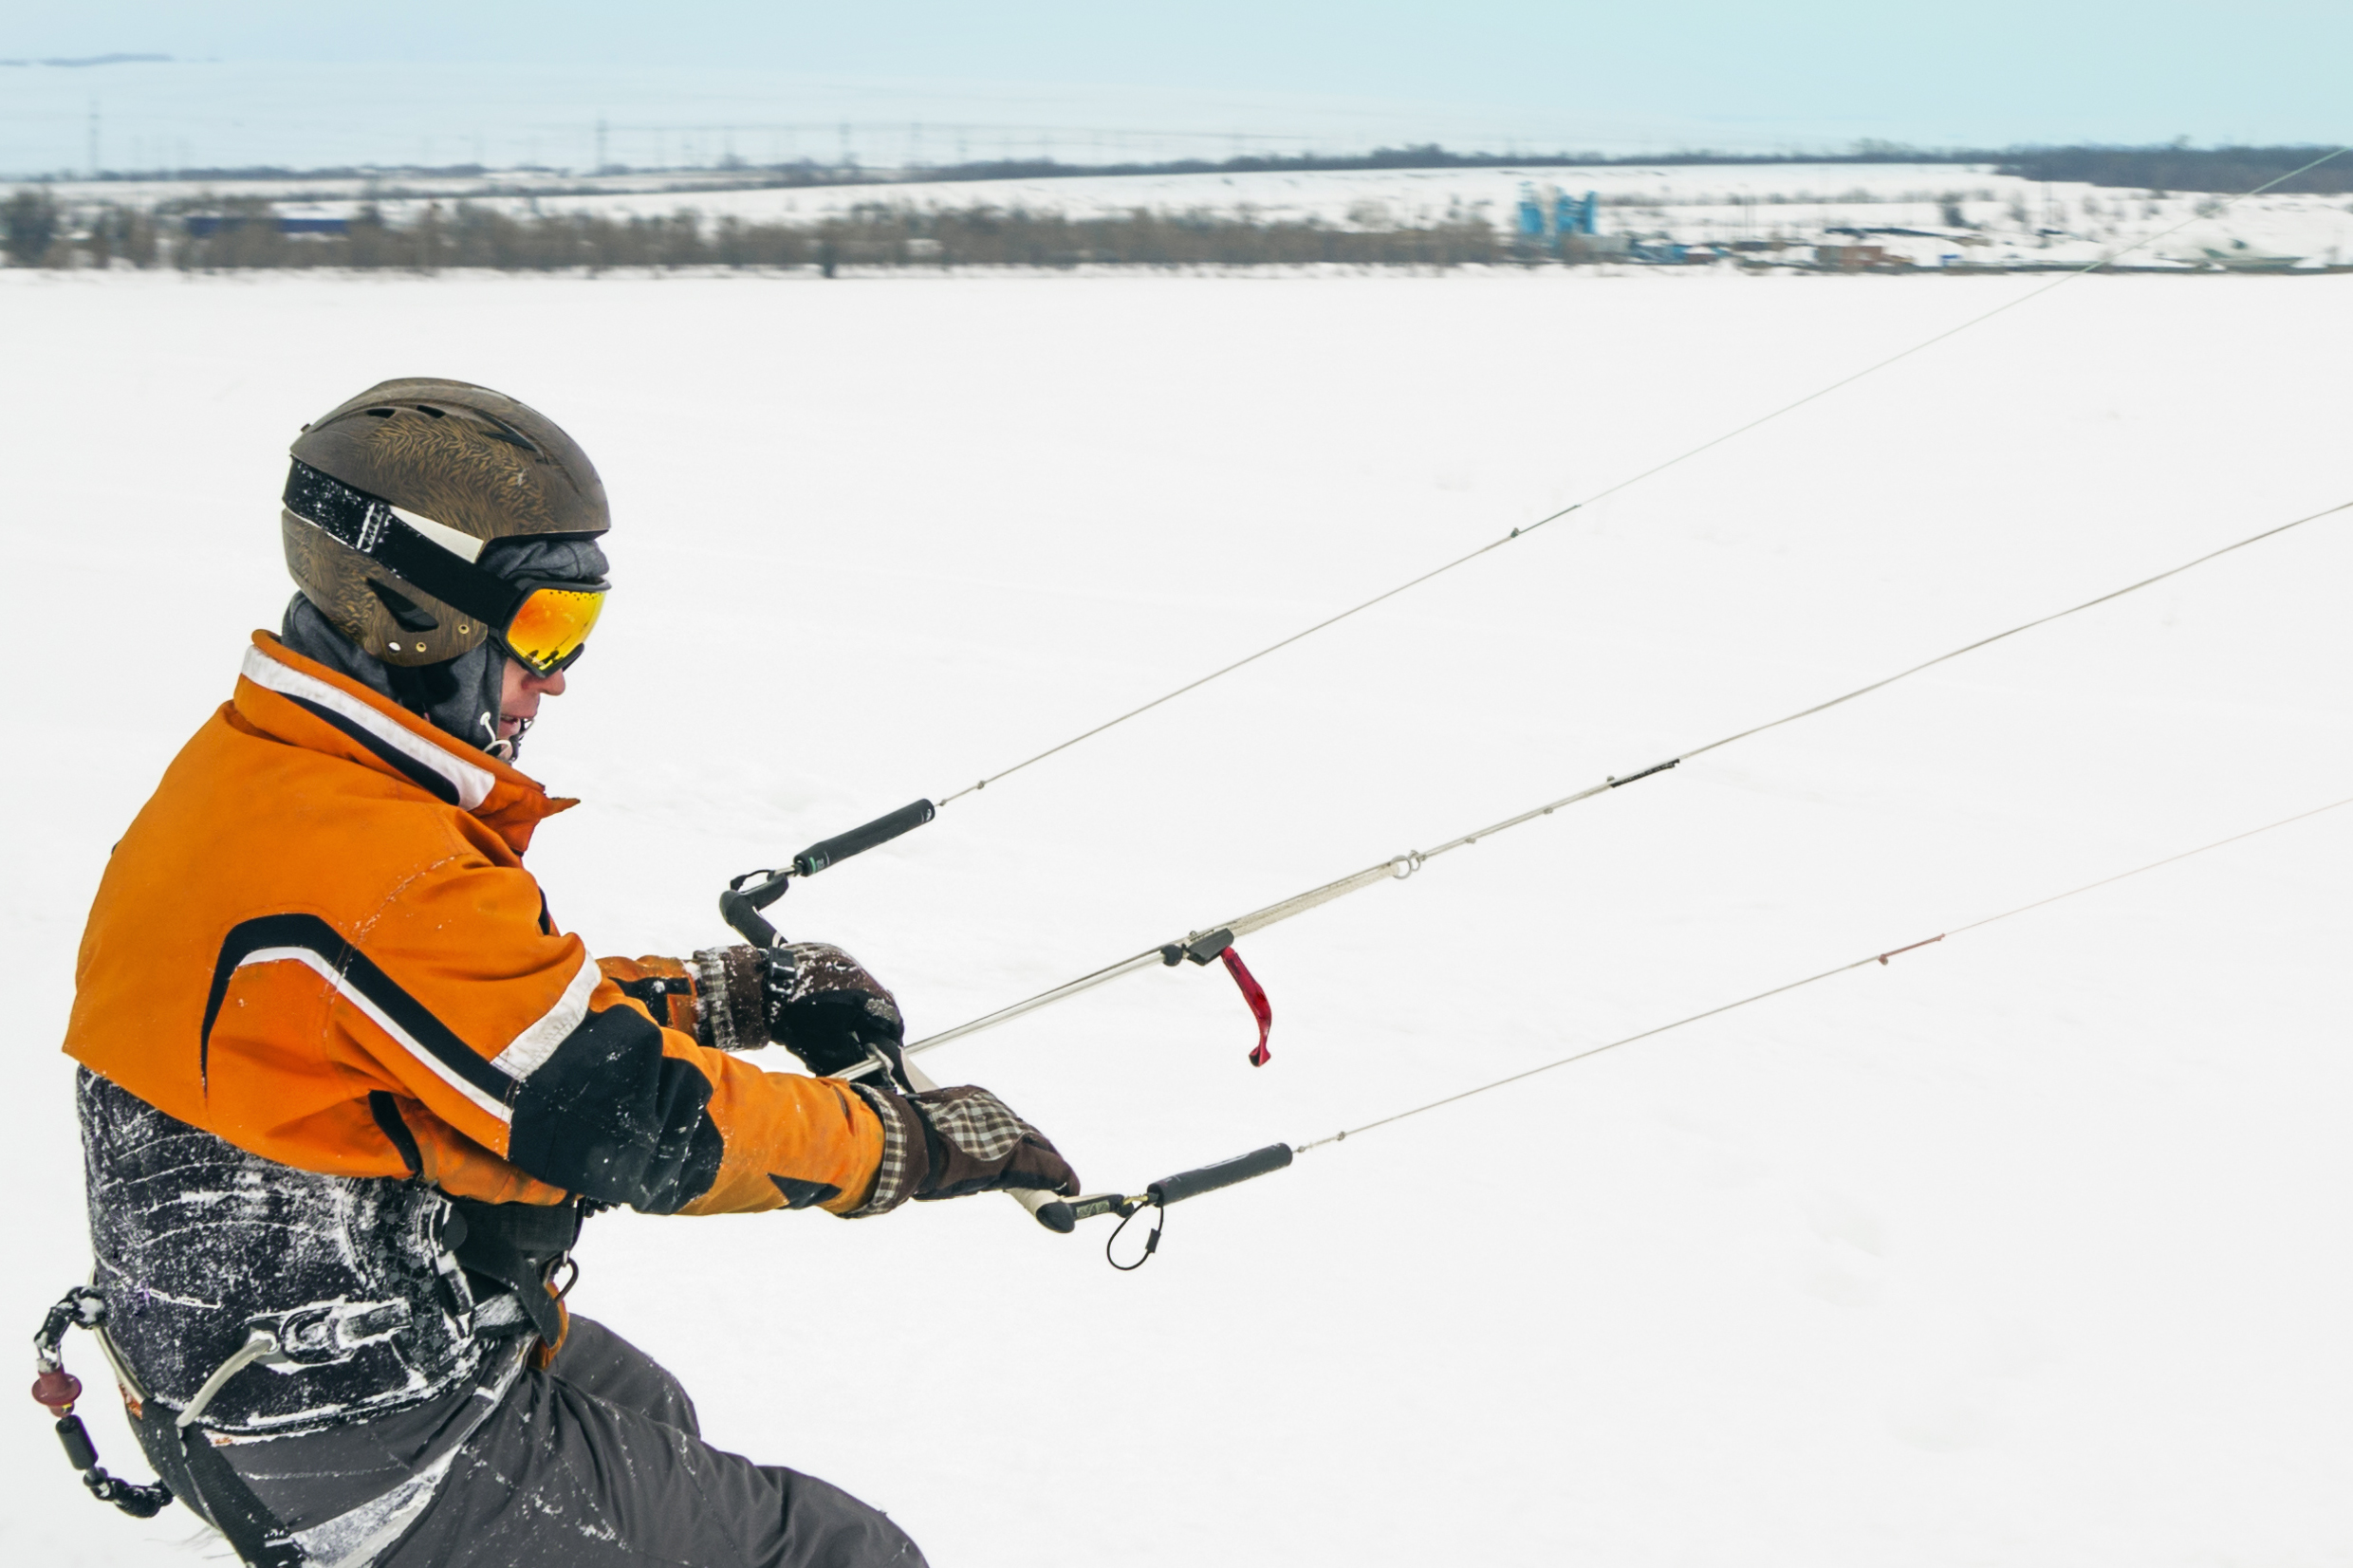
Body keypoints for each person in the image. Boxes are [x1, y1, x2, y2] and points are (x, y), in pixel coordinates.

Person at [60, 378, 1078, 1568]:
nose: (559, 680)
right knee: (841, 1553)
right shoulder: (369, 859)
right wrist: (896, 1144)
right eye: (543, 632)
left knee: (646, 1412)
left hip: (257, 1371)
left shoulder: (276, 773)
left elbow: (459, 1022)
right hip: (335, 1431)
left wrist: (727, 991)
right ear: (414, 613)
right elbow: (634, 1122)